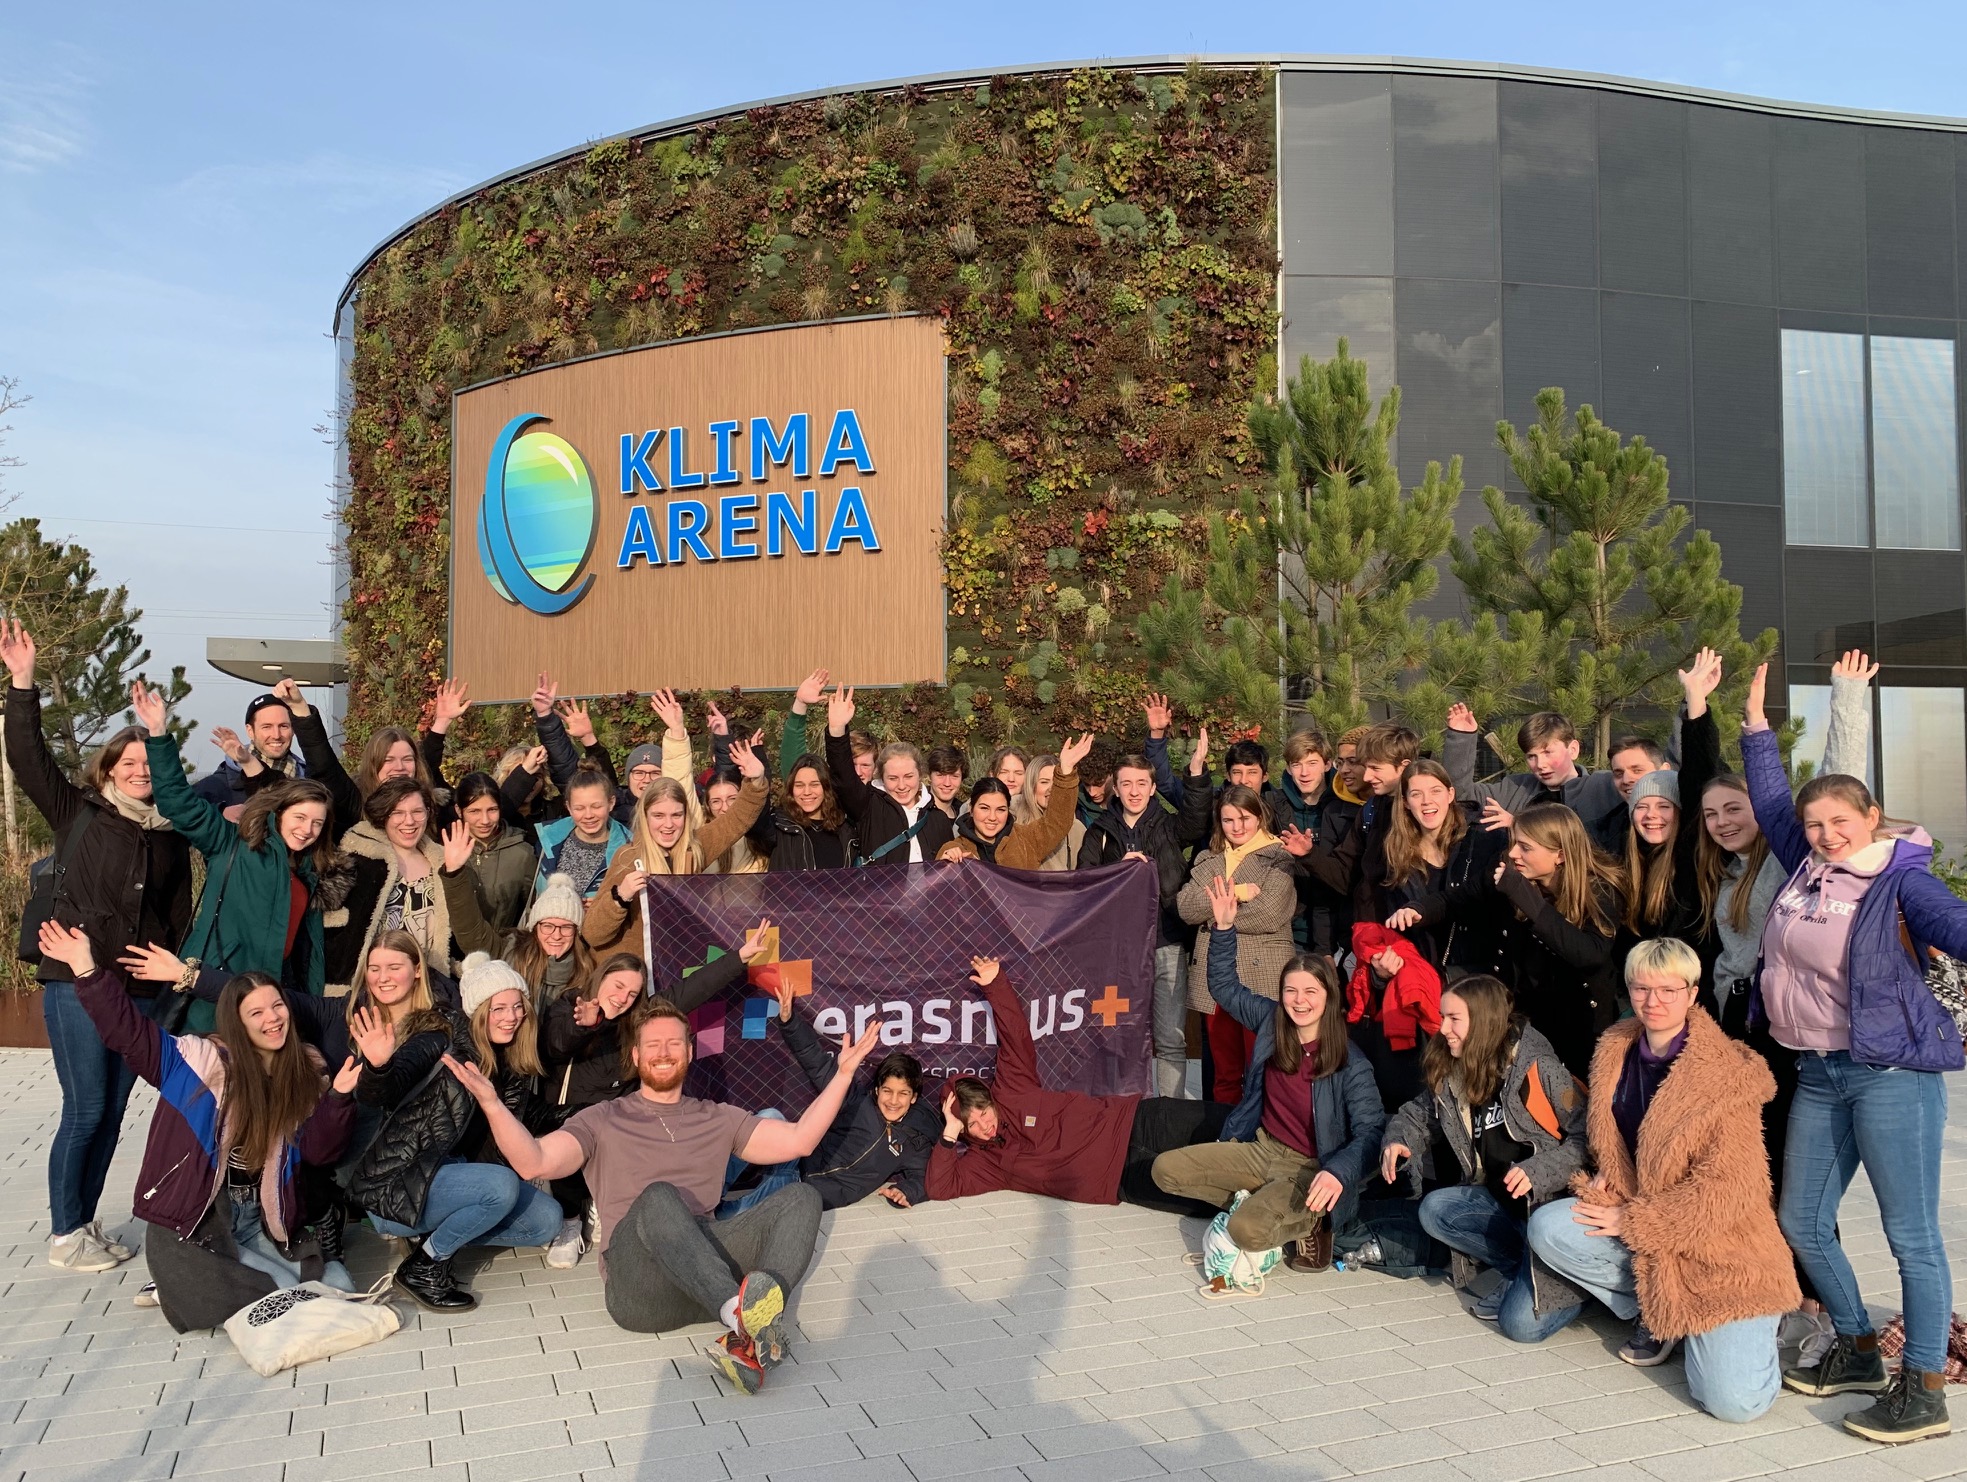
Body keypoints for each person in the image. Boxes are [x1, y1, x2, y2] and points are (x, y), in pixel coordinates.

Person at [1741, 662, 1967, 1444]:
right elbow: (1771, 800)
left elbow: (1957, 927)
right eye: (1814, 824)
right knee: (1802, 1221)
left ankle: (1924, 1388)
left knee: (1911, 1237)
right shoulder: (1807, 867)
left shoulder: (1900, 881)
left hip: (1890, 1076)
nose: (1826, 833)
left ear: (1872, 816)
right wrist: (1753, 725)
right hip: (1818, 1072)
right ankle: (1858, 1347)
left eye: (1840, 820)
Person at [447, 996, 880, 1393]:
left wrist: (843, 1076)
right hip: (641, 1291)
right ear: (636, 1056)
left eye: (674, 1043)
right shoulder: (602, 1118)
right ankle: (743, 1317)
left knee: (802, 1198)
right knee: (658, 1197)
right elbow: (535, 1162)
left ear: (689, 1052)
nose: (663, 1052)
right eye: (652, 1045)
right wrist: (492, 1105)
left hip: (705, 1271)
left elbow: (800, 1140)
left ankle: (744, 1335)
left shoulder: (718, 1117)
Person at [38, 921, 358, 1331]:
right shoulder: (198, 1062)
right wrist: (86, 970)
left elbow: (319, 1151)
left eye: (277, 1006)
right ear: (237, 1022)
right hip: (203, 1216)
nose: (273, 1019)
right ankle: (186, 1280)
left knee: (336, 1286)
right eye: (256, 1012)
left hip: (261, 1216)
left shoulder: (305, 1069)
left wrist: (339, 1098)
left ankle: (197, 1281)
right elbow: (129, 1034)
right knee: (279, 1297)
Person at [1526, 938, 1798, 1423]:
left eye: (1668, 990)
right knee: (1550, 1228)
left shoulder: (1723, 1075)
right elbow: (1614, 1138)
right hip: (1647, 1223)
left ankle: (1744, 1329)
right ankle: (1659, 1311)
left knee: (1733, 1404)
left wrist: (1631, 1220)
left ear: (1692, 994)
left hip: (1720, 1243)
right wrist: (1611, 1173)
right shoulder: (1616, 1049)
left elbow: (1726, 1191)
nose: (1653, 1001)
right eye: (1641, 988)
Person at [2, 625, 197, 1274]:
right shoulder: (79, 813)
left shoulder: (170, 834)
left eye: (148, 764)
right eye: (127, 764)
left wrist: (173, 980)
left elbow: (175, 915)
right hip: (75, 984)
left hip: (138, 991)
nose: (139, 773)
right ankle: (65, 1234)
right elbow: (28, 757)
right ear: (109, 769)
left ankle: (84, 1222)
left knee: (112, 1113)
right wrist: (23, 684)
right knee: (85, 1109)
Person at [1151, 876, 1385, 1277]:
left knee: (1246, 1231)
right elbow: (1225, 987)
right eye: (1291, 991)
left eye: (1310, 992)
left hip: (1312, 1168)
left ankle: (1313, 1221)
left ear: (1328, 997)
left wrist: (1337, 1173)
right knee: (1164, 1170)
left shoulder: (1351, 1062)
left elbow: (1372, 1131)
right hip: (1262, 1150)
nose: (1299, 1001)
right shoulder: (1271, 1021)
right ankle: (1262, 1200)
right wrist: (1223, 928)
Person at [346, 944, 560, 1310]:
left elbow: (536, 1115)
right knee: (501, 1186)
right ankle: (425, 1265)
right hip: (398, 1186)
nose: (511, 1017)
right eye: (498, 1008)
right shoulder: (439, 1040)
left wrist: (600, 1113)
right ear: (478, 1011)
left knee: (546, 1221)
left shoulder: (508, 1061)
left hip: (451, 1182)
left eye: (517, 1006)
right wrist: (379, 1067)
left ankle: (435, 1236)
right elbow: (385, 1090)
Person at [1380, 975, 1589, 1343]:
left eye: (1453, 1019)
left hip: (1548, 1212)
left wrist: (1538, 1171)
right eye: (1442, 1017)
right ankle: (1522, 1269)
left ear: (1483, 1021)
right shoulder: (1453, 1066)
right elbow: (1417, 1114)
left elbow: (1589, 1139)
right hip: (1503, 1206)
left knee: (1520, 1326)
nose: (1442, 1029)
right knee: (1436, 1209)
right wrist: (1397, 1141)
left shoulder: (1538, 1067)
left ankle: (1576, 1281)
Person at [927, 958, 1230, 1208]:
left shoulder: (1011, 1089)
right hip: (1120, 1176)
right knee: (1217, 1199)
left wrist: (996, 985)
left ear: (989, 1101)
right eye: (972, 1125)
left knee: (1230, 1122)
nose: (984, 1126)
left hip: (1133, 1121)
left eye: (983, 1113)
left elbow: (1015, 1037)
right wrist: (950, 1133)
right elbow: (940, 1187)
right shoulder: (986, 1164)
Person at [136, 685, 337, 1033]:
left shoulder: (308, 872)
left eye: (317, 823)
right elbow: (177, 803)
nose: (307, 829)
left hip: (273, 1001)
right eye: (300, 818)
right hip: (214, 996)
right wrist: (158, 733)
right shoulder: (233, 842)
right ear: (279, 814)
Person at [1401, 803, 1624, 1078]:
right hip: (1524, 1013)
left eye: (1526, 847)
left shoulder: (1600, 890)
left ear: (1560, 855)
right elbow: (1459, 898)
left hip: (1581, 1023)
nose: (1514, 853)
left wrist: (1525, 897)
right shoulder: (1508, 870)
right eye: (1514, 843)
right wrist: (1419, 909)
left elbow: (1589, 953)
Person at [1079, 751, 1212, 1098]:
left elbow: (1198, 820)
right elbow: (1083, 884)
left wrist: (1196, 773)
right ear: (1115, 788)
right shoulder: (1099, 832)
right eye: (1126, 784)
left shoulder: (1170, 826)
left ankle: (1168, 1113)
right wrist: (1117, 871)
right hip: (1117, 953)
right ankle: (1123, 1114)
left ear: (1153, 788)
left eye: (1141, 783)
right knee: (1119, 1037)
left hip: (1166, 943)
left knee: (1170, 1039)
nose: (1134, 791)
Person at [768, 973, 940, 1209]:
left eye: (903, 1094)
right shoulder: (856, 1101)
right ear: (877, 1090)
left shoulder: (914, 1140)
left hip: (810, 1197)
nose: (893, 1100)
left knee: (749, 1211)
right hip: (789, 1170)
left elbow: (924, 1178)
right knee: (770, 1118)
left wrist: (905, 1191)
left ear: (914, 1098)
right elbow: (816, 1062)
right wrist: (789, 1022)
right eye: (887, 1091)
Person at [584, 736, 769, 952]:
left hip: (681, 963)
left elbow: (735, 820)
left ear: (686, 816)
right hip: (634, 968)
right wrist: (621, 896)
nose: (668, 825)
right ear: (645, 816)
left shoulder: (696, 847)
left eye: (676, 815)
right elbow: (593, 934)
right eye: (659, 815)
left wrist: (756, 780)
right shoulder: (628, 858)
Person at [1177, 781, 1297, 1104]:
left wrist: (1218, 917)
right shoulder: (1208, 858)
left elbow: (1269, 913)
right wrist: (1240, 893)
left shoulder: (1279, 857)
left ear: (1259, 817)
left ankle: (1265, 1129)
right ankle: (1224, 1129)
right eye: (1229, 820)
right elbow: (1186, 907)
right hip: (1216, 979)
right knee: (1225, 1073)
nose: (1237, 827)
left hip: (1262, 979)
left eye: (1245, 818)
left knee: (1265, 1069)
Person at [323, 778, 453, 994]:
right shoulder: (358, 863)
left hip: (426, 990)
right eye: (398, 813)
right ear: (383, 815)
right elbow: (338, 938)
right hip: (372, 992)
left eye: (417, 812)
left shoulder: (443, 862)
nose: (409, 821)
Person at [1443, 708, 1625, 848]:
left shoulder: (1603, 787)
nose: (1540, 764)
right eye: (1532, 756)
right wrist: (1461, 739)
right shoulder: (1515, 788)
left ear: (1573, 750)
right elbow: (1460, 795)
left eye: (1548, 752)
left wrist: (1519, 825)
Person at [823, 686, 956, 864]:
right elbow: (844, 777)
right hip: (881, 884)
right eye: (893, 778)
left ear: (920, 775)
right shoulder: (869, 807)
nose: (901, 785)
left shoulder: (938, 818)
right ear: (881, 778)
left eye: (908, 776)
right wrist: (837, 730)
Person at [944, 735, 1093, 868]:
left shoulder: (1026, 840)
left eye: (1001, 809)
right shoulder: (955, 847)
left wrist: (1066, 771)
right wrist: (948, 860)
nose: (992, 817)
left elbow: (1057, 822)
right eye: (984, 808)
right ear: (971, 809)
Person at [1274, 727, 1358, 955]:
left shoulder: (1345, 807)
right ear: (1288, 769)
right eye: (1296, 765)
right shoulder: (1274, 806)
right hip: (1290, 931)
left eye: (1312, 763)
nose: (1304, 773)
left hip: (1339, 932)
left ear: (1328, 764)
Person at [438, 772, 538, 939]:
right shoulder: (442, 851)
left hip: (503, 948)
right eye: (474, 811)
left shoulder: (522, 853)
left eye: (492, 810)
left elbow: (533, 910)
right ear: (459, 811)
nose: (485, 820)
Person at [193, 691, 303, 811]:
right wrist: (221, 814)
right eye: (267, 727)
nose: (276, 735)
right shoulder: (214, 788)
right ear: (250, 731)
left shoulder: (308, 779)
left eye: (283, 726)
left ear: (293, 729)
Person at [533, 767, 632, 901]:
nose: (588, 815)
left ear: (611, 803)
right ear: (568, 807)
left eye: (596, 806)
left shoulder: (629, 849)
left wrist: (607, 905)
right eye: (579, 808)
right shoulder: (548, 838)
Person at [764, 754, 856, 870]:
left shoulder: (845, 830)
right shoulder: (778, 825)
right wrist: (757, 780)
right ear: (791, 789)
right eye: (799, 785)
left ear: (826, 787)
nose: (807, 792)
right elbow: (756, 822)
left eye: (814, 785)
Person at [1014, 752, 1086, 871]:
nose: (1052, 789)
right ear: (1030, 786)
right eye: (1044, 782)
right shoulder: (1013, 823)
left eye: (1056, 782)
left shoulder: (1076, 829)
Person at [925, 745, 967, 821]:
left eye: (954, 776)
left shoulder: (965, 816)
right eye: (940, 775)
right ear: (930, 776)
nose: (947, 783)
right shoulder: (916, 811)